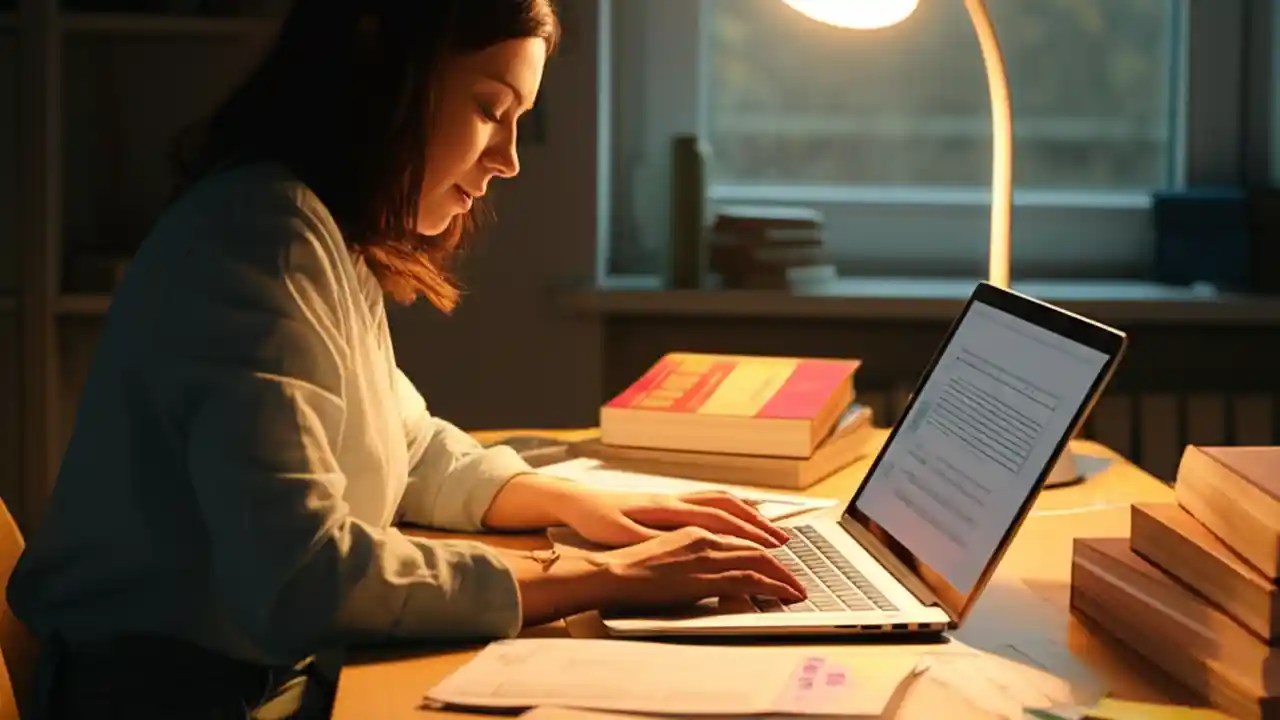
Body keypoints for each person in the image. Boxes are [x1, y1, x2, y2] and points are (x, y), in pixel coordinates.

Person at [7, 1, 806, 718]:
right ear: (383, 73)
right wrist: (602, 579)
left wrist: (567, 502)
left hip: (255, 678)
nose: (509, 159)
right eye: (493, 108)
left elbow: (406, 443)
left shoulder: (315, 227)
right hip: (175, 699)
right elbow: (302, 578)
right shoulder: (262, 238)